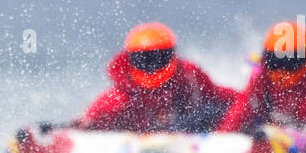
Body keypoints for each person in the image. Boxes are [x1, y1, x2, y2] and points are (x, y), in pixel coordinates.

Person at [71, 22, 239, 131]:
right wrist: (86, 122)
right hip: (143, 138)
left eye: (158, 57)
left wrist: (251, 103)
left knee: (212, 111)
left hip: (189, 131)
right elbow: (95, 114)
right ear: (131, 60)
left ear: (171, 55)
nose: (152, 65)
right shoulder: (121, 96)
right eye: (144, 59)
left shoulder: (189, 75)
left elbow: (221, 96)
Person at [217, 20, 306, 133]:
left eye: (290, 61)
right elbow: (243, 105)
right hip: (265, 133)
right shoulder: (261, 78)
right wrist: (223, 137)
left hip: (304, 137)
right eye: (276, 62)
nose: (282, 70)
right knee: (221, 107)